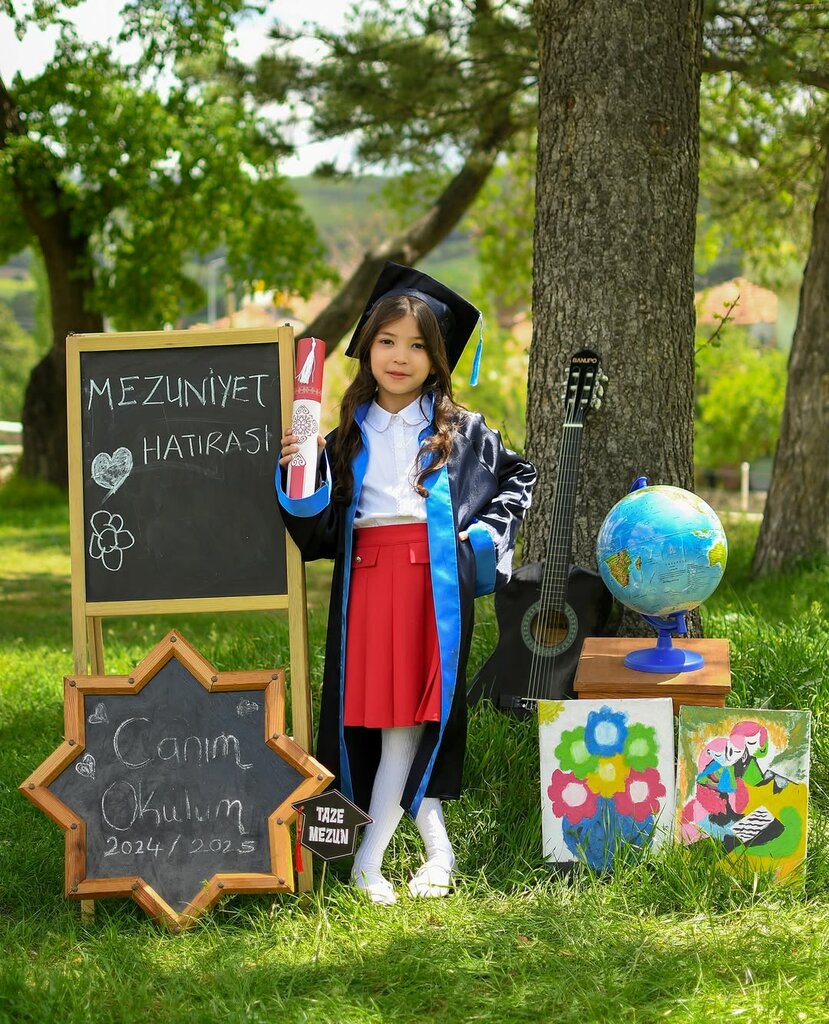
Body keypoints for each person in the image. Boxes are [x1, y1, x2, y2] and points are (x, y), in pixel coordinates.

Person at [276, 261, 536, 904]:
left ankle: (369, 859)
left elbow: (520, 479)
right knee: (385, 720)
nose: (400, 356)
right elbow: (317, 526)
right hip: (367, 583)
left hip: (433, 586)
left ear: (438, 358)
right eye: (388, 340)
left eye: (418, 345)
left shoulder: (463, 432)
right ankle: (438, 855)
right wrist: (297, 476)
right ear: (366, 344)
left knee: (407, 724)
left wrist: (481, 545)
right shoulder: (341, 434)